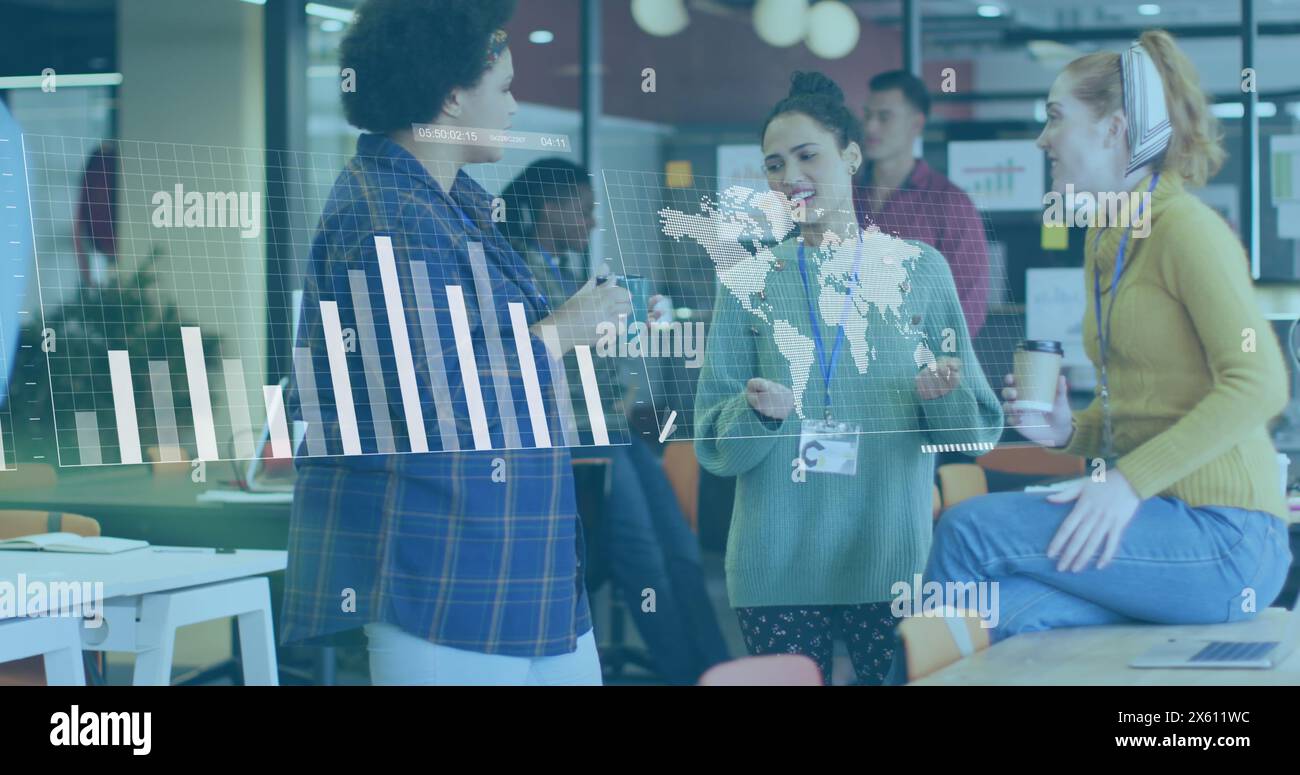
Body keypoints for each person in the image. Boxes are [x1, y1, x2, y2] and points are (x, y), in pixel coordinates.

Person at [890, 30, 1294, 681]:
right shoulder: (1108, 238)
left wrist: (1128, 484)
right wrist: (1070, 431)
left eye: (1055, 117)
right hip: (1167, 530)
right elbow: (1150, 406)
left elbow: (1261, 382)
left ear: (1114, 129)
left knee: (969, 530)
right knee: (1003, 610)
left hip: (1225, 537)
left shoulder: (1186, 230)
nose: (1042, 139)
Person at [281, 0, 631, 686]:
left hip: (522, 566)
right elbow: (435, 394)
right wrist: (562, 331)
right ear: (451, 98)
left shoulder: (452, 206)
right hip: (445, 575)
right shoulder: (389, 216)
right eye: (504, 87)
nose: (514, 105)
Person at [692, 71, 1002, 685]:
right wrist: (755, 413)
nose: (790, 176)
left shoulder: (920, 270)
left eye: (808, 155)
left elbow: (972, 434)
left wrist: (942, 397)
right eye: (775, 164)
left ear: (852, 157)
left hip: (888, 555)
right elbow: (715, 447)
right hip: (776, 562)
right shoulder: (747, 278)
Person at [499, 158, 730, 684]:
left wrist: (624, 330)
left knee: (679, 547)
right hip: (578, 438)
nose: (592, 222)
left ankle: (718, 671)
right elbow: (535, 362)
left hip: (610, 430)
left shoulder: (561, 271)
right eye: (582, 211)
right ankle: (686, 674)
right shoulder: (516, 270)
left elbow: (585, 356)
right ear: (548, 208)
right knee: (645, 557)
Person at [854, 70, 990, 337]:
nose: (870, 127)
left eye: (884, 117)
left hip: (921, 359)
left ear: (916, 124)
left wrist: (929, 357)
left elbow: (968, 303)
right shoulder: (845, 193)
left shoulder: (950, 203)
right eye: (867, 115)